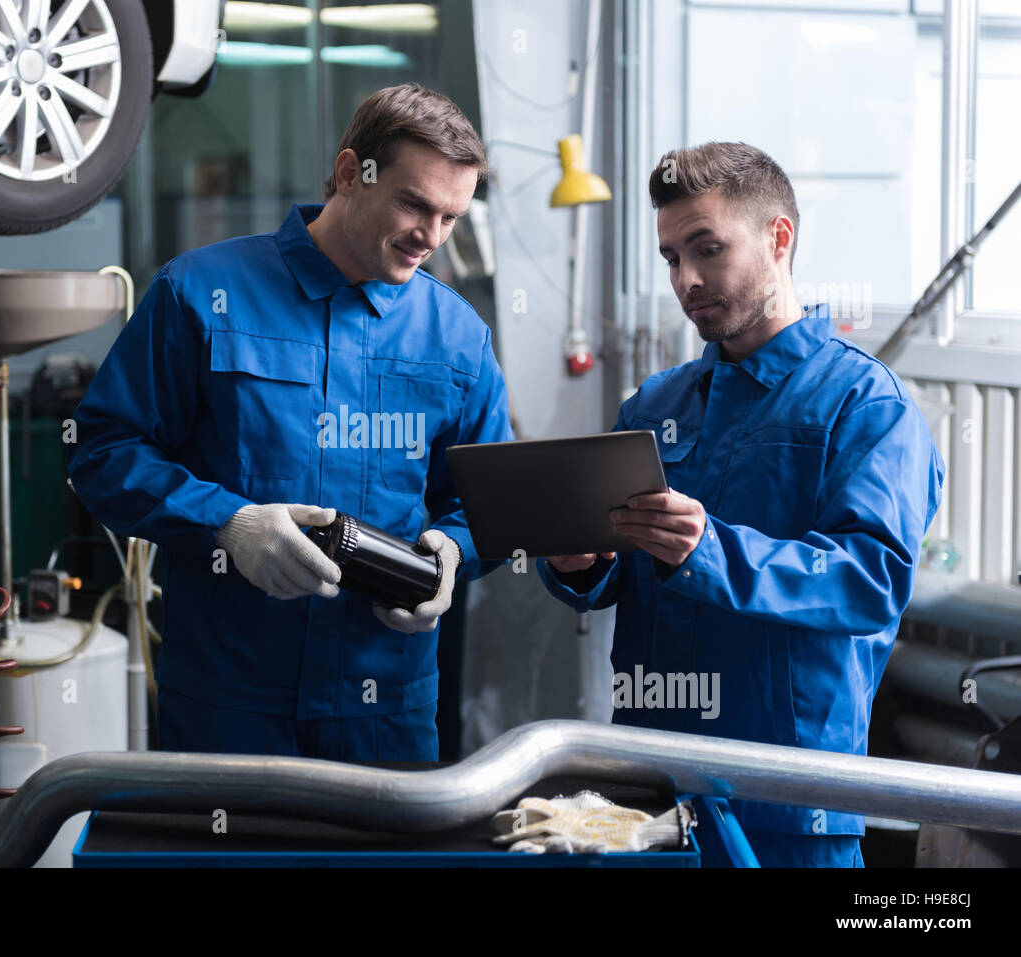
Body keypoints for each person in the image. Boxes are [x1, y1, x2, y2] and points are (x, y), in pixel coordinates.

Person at [66, 84, 512, 763]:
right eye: (415, 204)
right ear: (346, 173)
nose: (432, 237)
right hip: (227, 703)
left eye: (451, 216)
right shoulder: (200, 294)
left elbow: (488, 502)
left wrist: (450, 554)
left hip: (383, 706)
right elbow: (103, 451)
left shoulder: (458, 337)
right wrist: (226, 521)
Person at [540, 142, 944, 868]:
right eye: (670, 257)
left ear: (778, 238)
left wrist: (711, 550)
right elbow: (615, 571)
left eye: (707, 249)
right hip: (649, 790)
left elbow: (870, 582)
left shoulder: (866, 407)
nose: (686, 279)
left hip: (789, 809)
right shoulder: (653, 406)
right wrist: (579, 565)